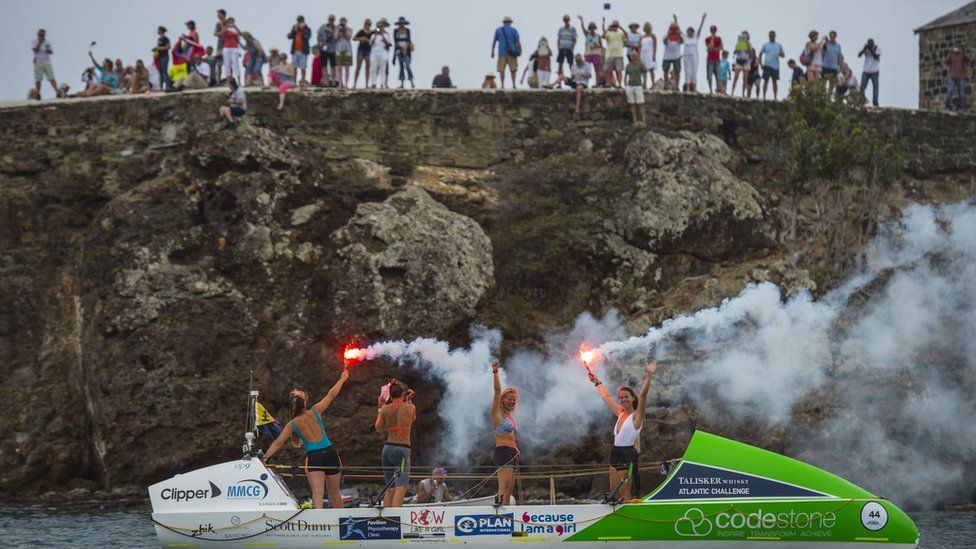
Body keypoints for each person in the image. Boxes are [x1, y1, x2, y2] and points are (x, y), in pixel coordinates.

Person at [265, 369, 350, 509]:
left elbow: (278, 442)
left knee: (317, 494)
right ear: (304, 403)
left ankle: (319, 527)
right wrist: (342, 379)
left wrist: (265, 457)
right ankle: (341, 525)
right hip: (330, 452)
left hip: (314, 457)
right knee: (335, 493)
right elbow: (331, 394)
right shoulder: (315, 411)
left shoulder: (292, 424)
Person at [589, 362, 655, 502]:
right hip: (615, 452)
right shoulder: (620, 412)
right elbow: (606, 397)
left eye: (626, 397)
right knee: (615, 493)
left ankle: (632, 519)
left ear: (632, 399)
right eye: (621, 397)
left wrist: (648, 375)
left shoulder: (637, 416)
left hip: (627, 454)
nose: (623, 399)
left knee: (625, 494)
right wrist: (597, 381)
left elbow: (643, 396)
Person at [375, 379, 416, 508]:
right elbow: (411, 419)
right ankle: (397, 518)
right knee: (401, 487)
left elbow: (378, 428)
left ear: (390, 395)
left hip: (387, 449)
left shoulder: (385, 409)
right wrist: (409, 400)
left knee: (390, 488)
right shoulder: (410, 407)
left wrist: (380, 408)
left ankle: (387, 519)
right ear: (403, 394)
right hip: (402, 450)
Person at [491, 360, 519, 505]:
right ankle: (500, 517)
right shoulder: (497, 413)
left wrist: (515, 448)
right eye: (509, 399)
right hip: (502, 451)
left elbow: (511, 436)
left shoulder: (509, 416)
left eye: (514, 400)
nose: (512, 401)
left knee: (510, 489)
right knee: (504, 486)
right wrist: (495, 371)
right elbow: (497, 390)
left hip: (512, 452)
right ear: (503, 399)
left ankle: (508, 515)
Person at [492, 16, 521, 89]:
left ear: (503, 22)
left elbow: (494, 42)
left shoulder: (498, 30)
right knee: (513, 70)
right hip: (512, 52)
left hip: (502, 52)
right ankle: (514, 84)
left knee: (501, 70)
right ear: (510, 22)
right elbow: (517, 42)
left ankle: (502, 85)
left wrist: (492, 51)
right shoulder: (514, 30)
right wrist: (519, 51)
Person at [680, 13, 706, 92]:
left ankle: (694, 88)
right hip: (686, 56)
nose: (689, 33)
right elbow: (679, 31)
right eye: (688, 31)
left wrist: (703, 19)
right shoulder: (685, 37)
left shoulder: (696, 37)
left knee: (694, 72)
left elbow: (700, 28)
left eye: (690, 31)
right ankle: (688, 87)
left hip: (694, 56)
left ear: (692, 32)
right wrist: (676, 19)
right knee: (687, 71)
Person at [31, 29, 59, 99]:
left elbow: (51, 51)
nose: (41, 36)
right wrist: (39, 43)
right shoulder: (34, 41)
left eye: (43, 35)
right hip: (38, 61)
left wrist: (48, 50)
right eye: (40, 34)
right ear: (38, 34)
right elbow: (35, 50)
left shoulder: (47, 42)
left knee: (51, 77)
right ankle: (38, 94)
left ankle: (57, 92)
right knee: (38, 79)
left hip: (47, 61)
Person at [760, 30, 785, 100]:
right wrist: (761, 64)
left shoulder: (778, 45)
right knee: (766, 81)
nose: (771, 37)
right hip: (767, 65)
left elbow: (783, 55)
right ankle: (764, 96)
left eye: (773, 36)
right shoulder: (765, 45)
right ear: (768, 36)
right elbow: (760, 54)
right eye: (770, 36)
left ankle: (775, 97)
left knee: (775, 82)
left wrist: (780, 54)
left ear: (775, 36)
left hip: (775, 66)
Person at [579, 16, 604, 87]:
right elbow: (583, 29)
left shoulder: (598, 36)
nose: (592, 29)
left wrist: (595, 46)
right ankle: (585, 84)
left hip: (596, 53)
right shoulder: (587, 34)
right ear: (589, 28)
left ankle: (597, 83)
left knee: (597, 70)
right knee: (586, 69)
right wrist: (581, 21)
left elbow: (601, 46)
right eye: (591, 27)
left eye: (593, 27)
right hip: (588, 54)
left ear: (595, 28)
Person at [602, 18, 626, 88]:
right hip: (609, 54)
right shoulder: (609, 33)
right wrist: (608, 28)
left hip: (619, 54)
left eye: (616, 25)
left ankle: (619, 84)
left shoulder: (621, 33)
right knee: (607, 70)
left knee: (619, 70)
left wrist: (620, 27)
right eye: (613, 25)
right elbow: (603, 36)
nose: (614, 27)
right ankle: (608, 83)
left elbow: (626, 35)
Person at [624, 50, 647, 125]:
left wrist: (644, 83)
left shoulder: (640, 65)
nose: (633, 57)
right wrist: (625, 84)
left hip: (638, 86)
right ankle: (635, 121)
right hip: (630, 86)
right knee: (632, 104)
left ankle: (644, 121)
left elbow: (644, 73)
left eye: (634, 55)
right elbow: (626, 75)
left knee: (641, 104)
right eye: (632, 56)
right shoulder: (628, 66)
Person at [288, 15, 312, 84]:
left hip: (303, 51)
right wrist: (294, 30)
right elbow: (289, 36)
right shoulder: (294, 29)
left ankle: (303, 82)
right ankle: (294, 82)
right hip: (295, 51)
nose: (299, 22)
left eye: (300, 21)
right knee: (294, 67)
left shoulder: (307, 29)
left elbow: (307, 37)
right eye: (298, 21)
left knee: (303, 67)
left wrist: (303, 29)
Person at [945, 46, 970, 112]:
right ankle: (948, 106)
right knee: (949, 91)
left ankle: (960, 107)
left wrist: (964, 52)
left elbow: (968, 59)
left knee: (961, 93)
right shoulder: (951, 54)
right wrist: (950, 52)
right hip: (952, 76)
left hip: (961, 76)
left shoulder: (962, 54)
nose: (956, 49)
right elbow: (946, 61)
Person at [392, 17, 414, 88]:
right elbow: (395, 42)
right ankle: (402, 83)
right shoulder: (396, 31)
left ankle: (412, 82)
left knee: (407, 66)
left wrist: (405, 48)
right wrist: (401, 49)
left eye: (403, 23)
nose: (402, 24)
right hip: (399, 50)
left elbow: (409, 40)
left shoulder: (407, 30)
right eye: (400, 23)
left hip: (407, 51)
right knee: (401, 66)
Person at [369, 18, 391, 89]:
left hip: (383, 54)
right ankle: (373, 83)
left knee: (383, 69)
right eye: (379, 27)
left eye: (381, 27)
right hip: (374, 54)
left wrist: (382, 35)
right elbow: (370, 43)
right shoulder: (373, 35)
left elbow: (388, 43)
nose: (380, 28)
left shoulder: (386, 35)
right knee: (373, 68)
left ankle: (382, 83)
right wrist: (376, 34)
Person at [661, 20, 682, 91]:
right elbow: (664, 42)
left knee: (677, 71)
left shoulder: (679, 35)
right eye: (672, 27)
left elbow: (682, 41)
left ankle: (676, 86)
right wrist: (668, 34)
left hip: (676, 56)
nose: (673, 29)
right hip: (667, 56)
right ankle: (666, 86)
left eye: (674, 28)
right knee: (665, 71)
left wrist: (678, 34)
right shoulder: (666, 35)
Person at [858, 39, 880, 107]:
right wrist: (864, 49)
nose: (870, 45)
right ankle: (861, 101)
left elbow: (876, 56)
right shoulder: (866, 48)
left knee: (875, 87)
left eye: (871, 44)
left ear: (873, 43)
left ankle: (875, 102)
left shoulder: (877, 48)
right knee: (862, 87)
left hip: (875, 71)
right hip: (866, 71)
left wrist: (870, 49)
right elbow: (859, 55)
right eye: (869, 44)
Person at [318, 14, 338, 86]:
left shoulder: (336, 28)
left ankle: (333, 82)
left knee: (333, 66)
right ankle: (326, 82)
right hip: (324, 49)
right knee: (324, 66)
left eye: (332, 19)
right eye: (330, 19)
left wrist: (331, 31)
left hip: (332, 49)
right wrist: (319, 42)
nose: (331, 21)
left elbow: (336, 37)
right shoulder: (323, 27)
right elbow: (318, 36)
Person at [220, 17, 242, 82]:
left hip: (234, 47)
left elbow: (240, 34)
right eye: (230, 21)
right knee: (227, 64)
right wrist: (225, 26)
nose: (231, 22)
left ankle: (239, 81)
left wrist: (235, 27)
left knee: (236, 64)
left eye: (232, 21)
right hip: (226, 47)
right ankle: (228, 81)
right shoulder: (226, 29)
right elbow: (222, 34)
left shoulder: (235, 29)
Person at [556, 15, 577, 80]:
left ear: (569, 20)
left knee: (571, 65)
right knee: (560, 66)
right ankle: (559, 82)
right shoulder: (561, 29)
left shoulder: (572, 29)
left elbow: (575, 39)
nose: (566, 21)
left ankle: (573, 80)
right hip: (562, 48)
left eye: (567, 20)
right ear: (563, 21)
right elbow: (558, 39)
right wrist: (558, 48)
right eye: (565, 20)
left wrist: (572, 48)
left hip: (569, 49)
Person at [353, 19, 372, 88]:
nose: (368, 25)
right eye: (367, 23)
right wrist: (361, 38)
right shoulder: (361, 31)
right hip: (361, 50)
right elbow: (354, 38)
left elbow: (378, 30)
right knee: (358, 67)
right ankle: (354, 84)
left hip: (368, 51)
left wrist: (379, 27)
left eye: (370, 24)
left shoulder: (371, 32)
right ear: (364, 24)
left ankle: (366, 84)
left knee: (367, 67)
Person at [334, 17, 353, 88]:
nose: (342, 22)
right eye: (341, 21)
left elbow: (349, 36)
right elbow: (335, 37)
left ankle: (346, 84)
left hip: (347, 50)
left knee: (347, 67)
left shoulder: (349, 29)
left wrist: (345, 28)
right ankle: (340, 83)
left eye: (344, 21)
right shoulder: (337, 29)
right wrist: (338, 29)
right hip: (339, 49)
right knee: (339, 67)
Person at [704, 25, 722, 93]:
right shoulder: (707, 39)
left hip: (717, 60)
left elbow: (721, 47)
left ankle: (721, 90)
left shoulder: (719, 38)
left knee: (718, 76)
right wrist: (712, 38)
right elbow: (710, 47)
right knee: (709, 76)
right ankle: (710, 90)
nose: (713, 32)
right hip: (710, 60)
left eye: (714, 30)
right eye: (712, 30)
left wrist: (714, 49)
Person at [731, 31, 749, 95]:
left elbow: (751, 54)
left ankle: (743, 93)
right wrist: (738, 46)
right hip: (738, 61)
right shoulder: (738, 44)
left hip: (746, 62)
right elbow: (734, 52)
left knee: (745, 78)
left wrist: (747, 45)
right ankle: (732, 92)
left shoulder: (749, 44)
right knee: (736, 77)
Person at [639, 23, 657, 89]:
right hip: (642, 54)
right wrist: (639, 56)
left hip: (650, 53)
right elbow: (640, 47)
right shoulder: (642, 37)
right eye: (645, 28)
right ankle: (645, 84)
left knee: (651, 69)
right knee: (644, 70)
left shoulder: (653, 36)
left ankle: (653, 84)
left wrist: (654, 55)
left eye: (648, 28)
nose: (647, 29)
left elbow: (655, 46)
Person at [155, 26, 171, 90]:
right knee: (160, 72)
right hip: (159, 57)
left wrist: (160, 48)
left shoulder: (165, 38)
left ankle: (168, 86)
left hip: (164, 57)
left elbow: (168, 47)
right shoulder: (159, 39)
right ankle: (161, 87)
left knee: (165, 72)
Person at [213, 9, 227, 82]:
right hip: (220, 46)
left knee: (228, 63)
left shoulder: (228, 22)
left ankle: (229, 79)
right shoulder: (218, 24)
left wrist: (221, 32)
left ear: (223, 14)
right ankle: (218, 80)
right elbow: (215, 33)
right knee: (219, 64)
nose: (218, 16)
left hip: (228, 46)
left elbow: (228, 33)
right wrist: (221, 32)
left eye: (219, 14)